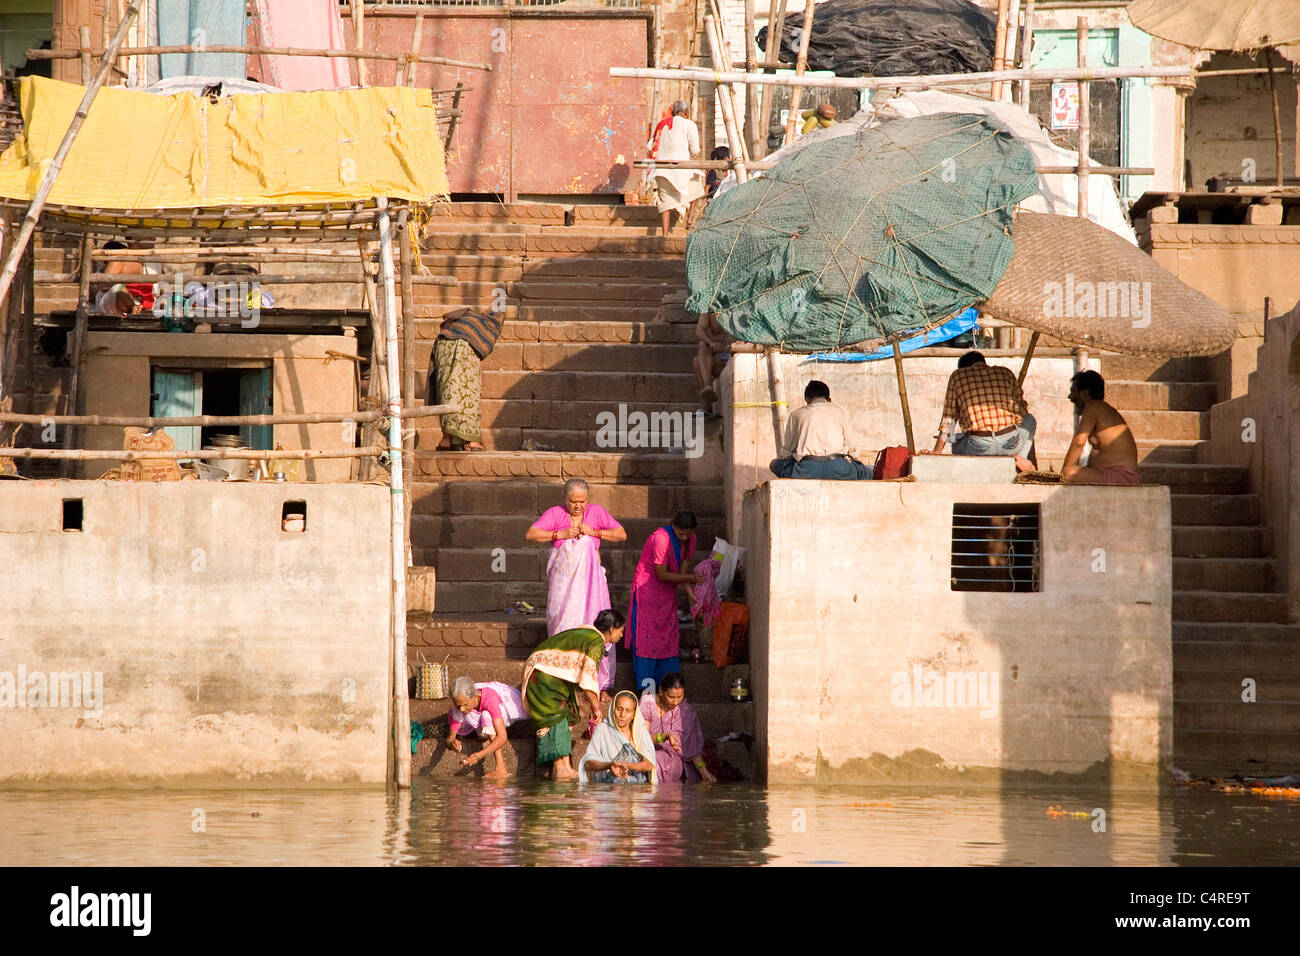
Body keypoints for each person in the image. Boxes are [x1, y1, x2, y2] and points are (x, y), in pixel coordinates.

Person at [525, 478, 627, 694]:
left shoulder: (597, 513)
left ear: (587, 500)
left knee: (592, 624)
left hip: (590, 585)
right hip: (563, 585)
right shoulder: (555, 514)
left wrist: (594, 533)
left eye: (582, 501)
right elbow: (531, 534)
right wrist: (558, 534)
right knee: (563, 626)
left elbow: (621, 534)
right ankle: (563, 680)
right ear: (565, 499)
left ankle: (595, 682)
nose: (578, 506)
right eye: (573, 501)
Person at [522, 609, 624, 781]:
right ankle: (560, 768)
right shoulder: (596, 641)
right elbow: (589, 676)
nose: (621, 635)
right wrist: (596, 707)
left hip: (548, 675)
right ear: (612, 629)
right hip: (542, 676)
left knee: (568, 711)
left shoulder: (587, 633)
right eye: (621, 631)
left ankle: (564, 766)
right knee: (556, 714)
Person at [627, 510, 702, 692]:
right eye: (681, 533)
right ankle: (646, 690)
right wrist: (692, 577)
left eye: (688, 534)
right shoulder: (661, 538)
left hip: (667, 592)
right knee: (647, 641)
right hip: (648, 590)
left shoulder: (691, 540)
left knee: (667, 636)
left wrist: (693, 595)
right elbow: (662, 574)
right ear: (673, 526)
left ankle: (668, 688)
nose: (684, 538)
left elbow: (682, 573)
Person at [924, 351, 1037, 464]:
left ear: (963, 368)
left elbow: (949, 418)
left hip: (980, 447)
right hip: (1012, 445)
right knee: (1030, 419)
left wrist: (937, 450)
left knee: (956, 445)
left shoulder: (957, 376)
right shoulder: (1005, 372)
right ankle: (1021, 459)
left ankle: (1017, 459)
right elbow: (1022, 412)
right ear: (983, 362)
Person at [1043, 369, 1141, 485]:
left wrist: (1064, 472)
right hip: (1109, 473)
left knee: (1069, 473)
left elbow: (1079, 442)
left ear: (1085, 394)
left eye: (1073, 392)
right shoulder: (1099, 408)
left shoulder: (1093, 406)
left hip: (1120, 476)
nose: (1070, 396)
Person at [427, 307, 505, 451]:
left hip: (442, 343)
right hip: (462, 346)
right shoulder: (489, 324)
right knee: (469, 391)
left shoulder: (468, 318)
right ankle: (471, 441)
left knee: (448, 389)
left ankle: (447, 439)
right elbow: (483, 345)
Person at [768, 380, 872, 479]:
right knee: (869, 471)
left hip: (806, 470)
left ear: (807, 399)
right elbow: (853, 450)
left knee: (774, 464)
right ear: (829, 399)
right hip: (839, 469)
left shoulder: (796, 414)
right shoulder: (841, 412)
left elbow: (787, 452)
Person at [640, 672, 717, 783]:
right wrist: (663, 737)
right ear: (661, 691)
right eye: (671, 697)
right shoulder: (647, 702)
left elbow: (692, 748)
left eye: (679, 696)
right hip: (645, 752)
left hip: (671, 760)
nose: (675, 702)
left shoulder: (685, 711)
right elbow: (643, 739)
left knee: (658, 760)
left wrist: (704, 771)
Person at [444, 677, 526, 779]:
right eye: (458, 705)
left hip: (508, 709)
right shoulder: (460, 705)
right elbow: (449, 738)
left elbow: (502, 737)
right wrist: (452, 744)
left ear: (475, 696)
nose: (462, 709)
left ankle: (501, 768)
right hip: (483, 718)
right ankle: (484, 731)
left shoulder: (489, 698)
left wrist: (478, 755)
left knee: (486, 716)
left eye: (465, 705)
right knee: (474, 715)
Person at [649, 100, 705, 236]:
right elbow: (695, 149)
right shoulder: (689, 124)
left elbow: (650, 146)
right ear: (686, 112)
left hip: (662, 170)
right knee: (697, 191)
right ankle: (690, 221)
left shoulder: (661, 125)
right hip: (682, 170)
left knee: (665, 204)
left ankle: (665, 234)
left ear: (673, 112)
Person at [578, 690, 658, 784]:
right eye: (619, 709)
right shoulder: (602, 729)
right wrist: (609, 765)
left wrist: (627, 765)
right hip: (609, 785)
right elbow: (588, 764)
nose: (622, 715)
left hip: (636, 788)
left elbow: (650, 765)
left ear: (633, 714)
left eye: (628, 711)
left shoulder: (639, 731)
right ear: (613, 709)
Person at [694, 311, 731, 414]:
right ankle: (707, 389)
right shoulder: (710, 307)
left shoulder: (741, 303)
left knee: (699, 359)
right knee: (699, 355)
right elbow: (699, 330)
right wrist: (710, 341)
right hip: (718, 355)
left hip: (736, 354)